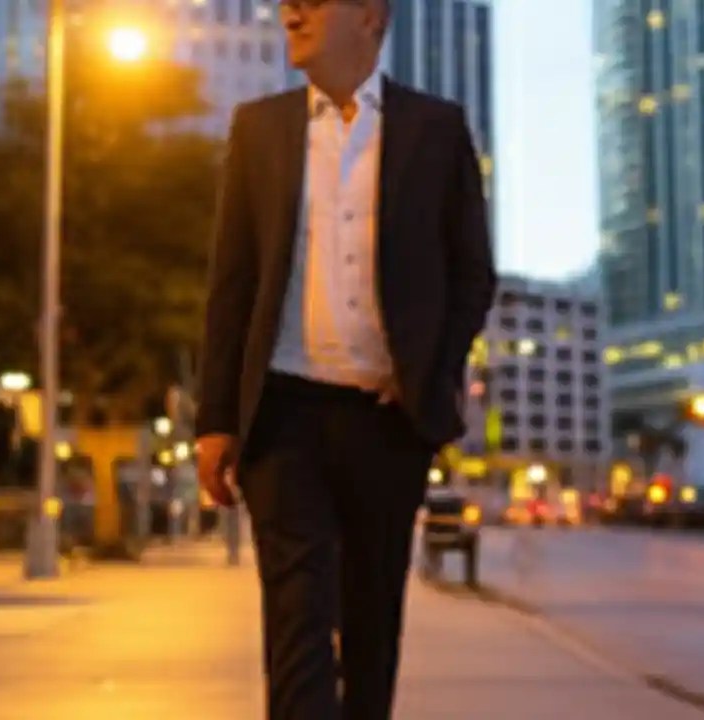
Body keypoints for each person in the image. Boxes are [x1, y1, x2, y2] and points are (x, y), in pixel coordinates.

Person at [194, 0, 496, 717]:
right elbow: (230, 285)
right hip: (282, 415)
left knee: (370, 619)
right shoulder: (259, 129)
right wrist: (214, 421)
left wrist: (429, 370)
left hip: (387, 420)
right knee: (296, 622)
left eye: (311, 0)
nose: (288, 11)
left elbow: (472, 275)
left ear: (369, 16)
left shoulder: (436, 129)